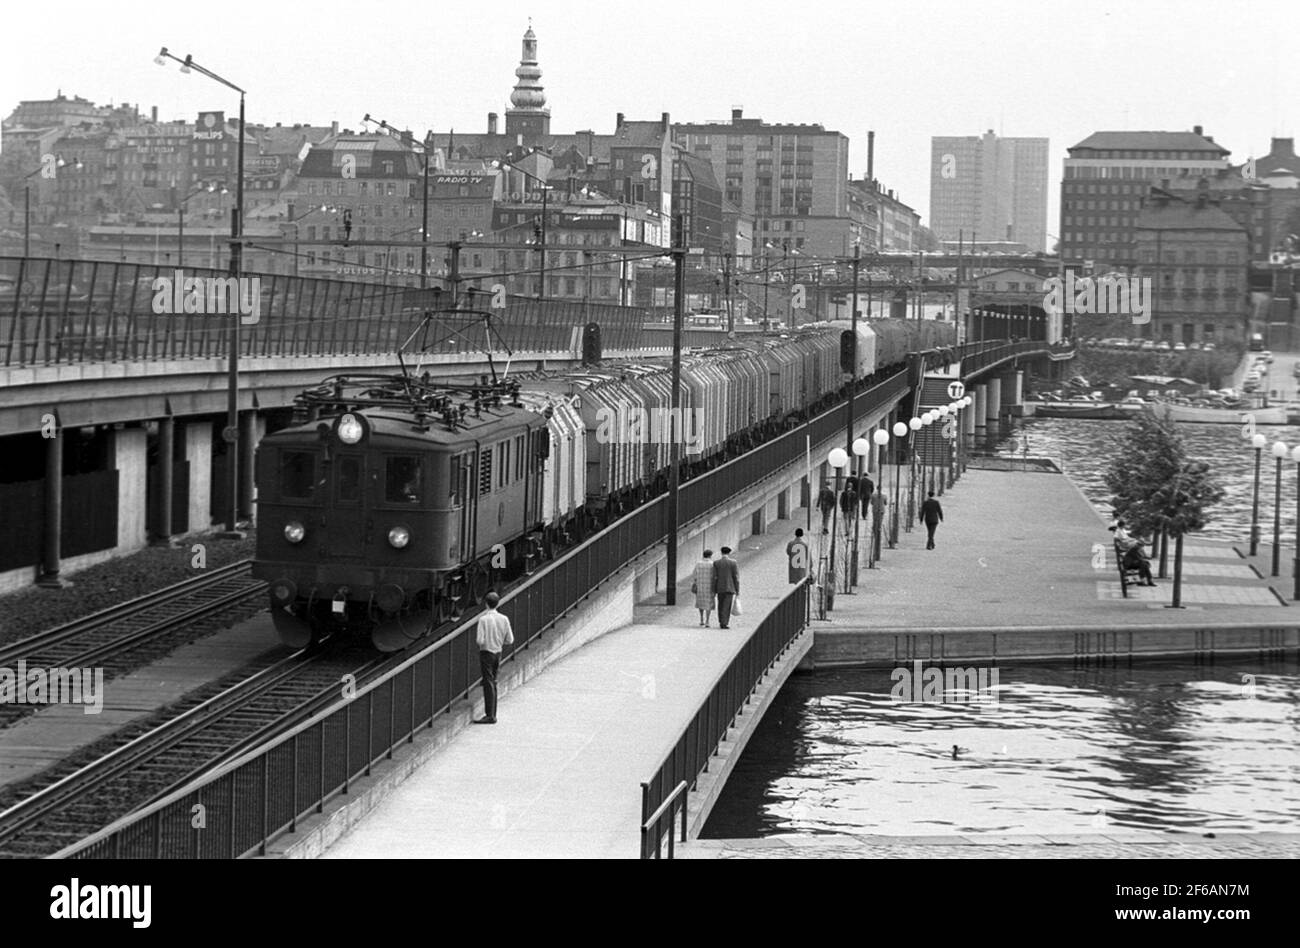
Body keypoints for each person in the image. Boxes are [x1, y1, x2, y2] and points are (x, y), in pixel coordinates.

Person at [474, 591, 514, 724]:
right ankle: (493, 713)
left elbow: (480, 640)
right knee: (493, 681)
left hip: (486, 653)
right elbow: (510, 640)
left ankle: (490, 715)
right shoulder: (504, 619)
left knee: (488, 682)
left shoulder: (483, 620)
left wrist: (486, 642)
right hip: (498, 652)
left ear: (486, 604)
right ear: (498, 603)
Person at [1111, 521, 1155, 586]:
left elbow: (1139, 558)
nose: (1141, 547)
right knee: (1144, 564)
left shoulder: (1136, 548)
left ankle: (1147, 580)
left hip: (1132, 560)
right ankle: (1146, 580)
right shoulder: (1134, 549)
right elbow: (1139, 559)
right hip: (1129, 563)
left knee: (1144, 565)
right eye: (1141, 545)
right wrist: (1145, 560)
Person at [713, 546, 740, 629]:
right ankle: (724, 622)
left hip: (720, 587)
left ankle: (721, 620)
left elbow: (714, 576)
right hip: (730, 587)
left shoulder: (716, 563)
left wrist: (714, 589)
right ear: (729, 553)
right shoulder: (733, 563)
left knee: (720, 605)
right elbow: (736, 577)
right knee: (727, 606)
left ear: (721, 553)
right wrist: (737, 589)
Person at [692, 549, 717, 627]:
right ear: (710, 556)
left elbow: (694, 574)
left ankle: (701, 619)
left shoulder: (698, 564)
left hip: (700, 586)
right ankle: (707, 621)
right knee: (708, 604)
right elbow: (715, 576)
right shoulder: (712, 564)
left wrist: (696, 582)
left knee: (701, 602)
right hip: (709, 586)